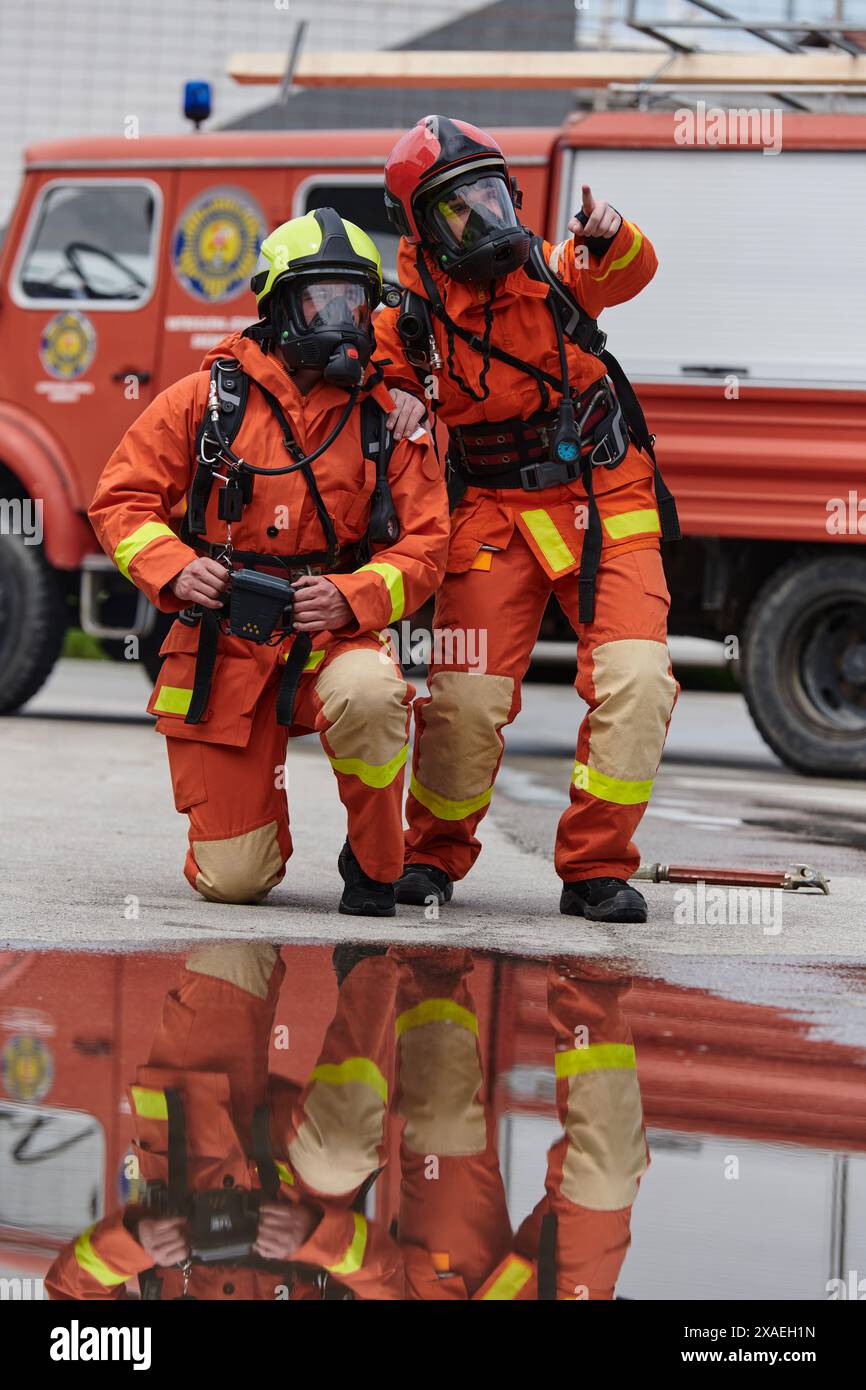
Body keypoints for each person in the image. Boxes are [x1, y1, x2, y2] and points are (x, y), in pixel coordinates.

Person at [88, 209, 449, 917]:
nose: (343, 318)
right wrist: (173, 567)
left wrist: (352, 596)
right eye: (323, 299)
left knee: (374, 694)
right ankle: (253, 837)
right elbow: (120, 500)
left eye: (356, 301)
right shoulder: (204, 401)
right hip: (222, 647)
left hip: (329, 639)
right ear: (280, 306)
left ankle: (375, 863)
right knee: (235, 883)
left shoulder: (389, 417)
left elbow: (427, 545)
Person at [377, 115, 680, 924]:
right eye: (457, 208)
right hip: (492, 515)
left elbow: (629, 270)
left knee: (639, 681)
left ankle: (596, 868)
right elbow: (370, 382)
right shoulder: (406, 322)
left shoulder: (555, 270)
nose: (483, 218)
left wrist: (613, 232)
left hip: (604, 502)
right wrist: (396, 397)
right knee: (464, 702)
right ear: (422, 229)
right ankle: (431, 854)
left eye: (490, 195)